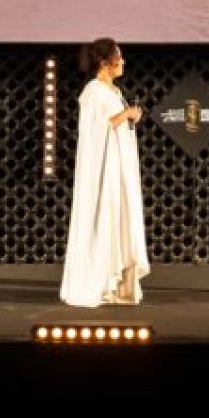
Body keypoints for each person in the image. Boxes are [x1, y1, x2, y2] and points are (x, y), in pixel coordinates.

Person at [59, 37, 149, 307]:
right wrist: (125, 115)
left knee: (122, 216)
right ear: (104, 61)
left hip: (120, 167)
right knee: (105, 216)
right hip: (104, 171)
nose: (123, 62)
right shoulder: (93, 91)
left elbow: (114, 124)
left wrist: (129, 115)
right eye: (118, 57)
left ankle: (119, 286)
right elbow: (93, 130)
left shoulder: (114, 91)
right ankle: (98, 283)